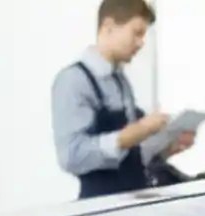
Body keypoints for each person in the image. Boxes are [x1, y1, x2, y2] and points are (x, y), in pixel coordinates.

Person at [51, 0, 195, 199]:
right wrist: (134, 133)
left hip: (132, 202)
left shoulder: (121, 81)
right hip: (101, 209)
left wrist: (167, 147)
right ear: (108, 27)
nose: (141, 42)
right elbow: (72, 157)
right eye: (136, 33)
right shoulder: (72, 81)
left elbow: (131, 156)